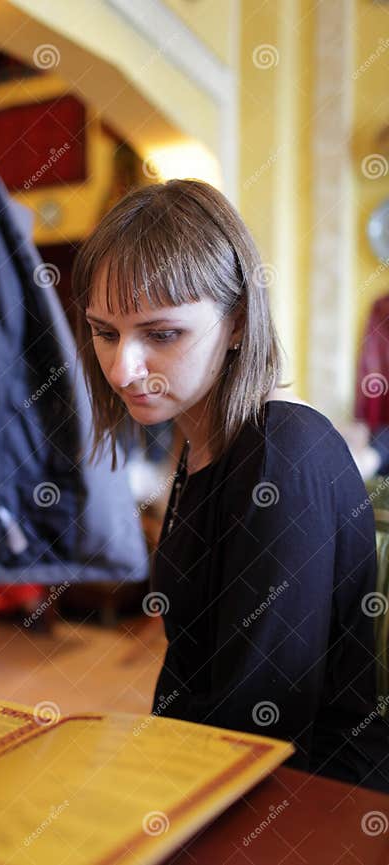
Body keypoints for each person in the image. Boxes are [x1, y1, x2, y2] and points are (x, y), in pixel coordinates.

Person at [72, 178, 389, 791]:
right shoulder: (198, 450)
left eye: (162, 334)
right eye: (105, 331)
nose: (121, 368)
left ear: (238, 322)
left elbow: (257, 726)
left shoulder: (282, 456)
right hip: (214, 770)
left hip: (313, 795)